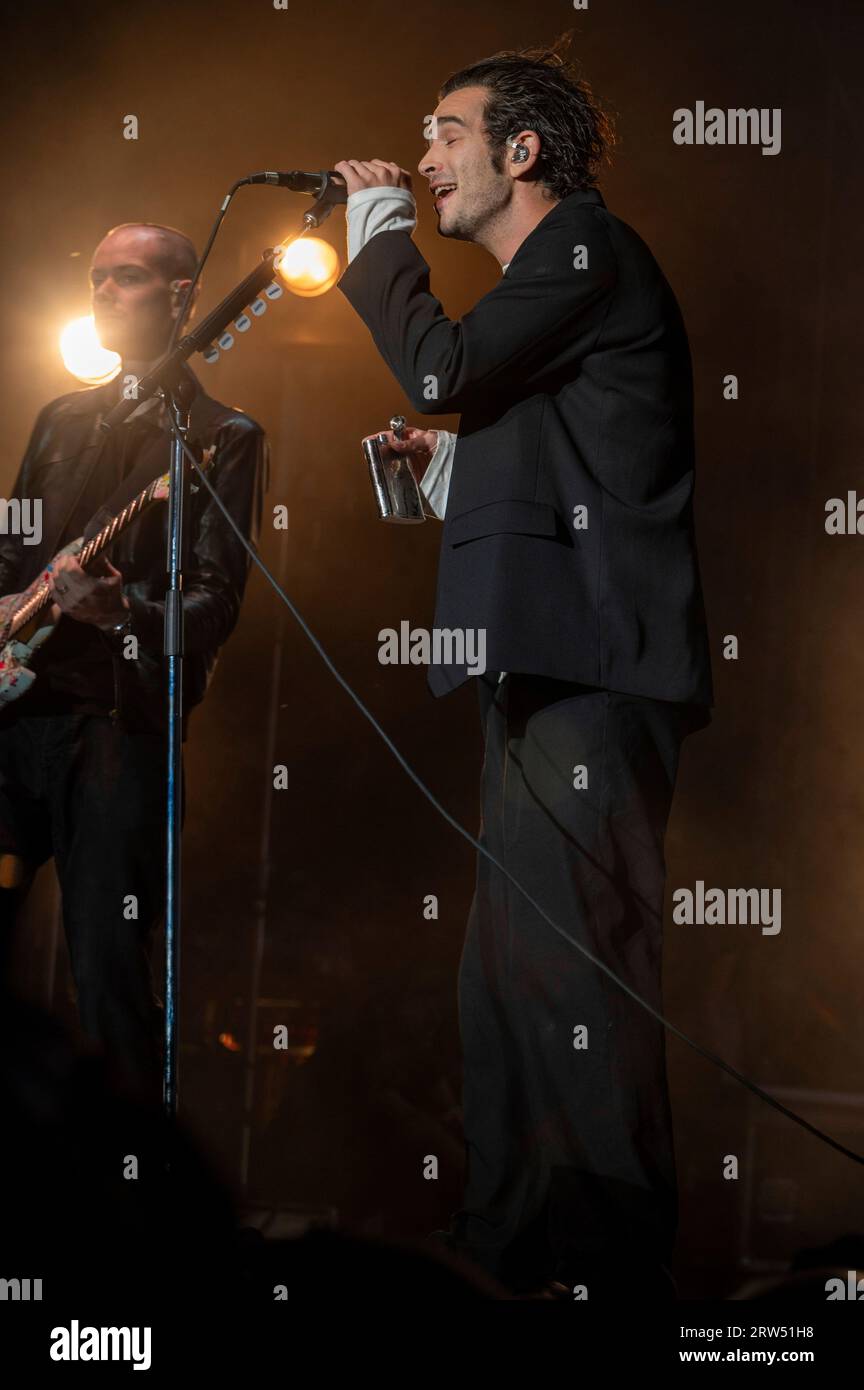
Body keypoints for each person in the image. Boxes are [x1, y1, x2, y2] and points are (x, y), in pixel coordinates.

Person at [335, 34, 713, 1298]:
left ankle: (612, 1277)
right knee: (503, 977)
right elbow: (567, 459)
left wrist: (375, 228)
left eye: (445, 135)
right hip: (544, 669)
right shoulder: (554, 285)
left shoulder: (586, 248)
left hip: (596, 672)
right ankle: (505, 1260)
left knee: (575, 971)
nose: (428, 157)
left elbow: (441, 366)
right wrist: (443, 472)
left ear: (521, 149)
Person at [0, 222, 268, 1105]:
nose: (103, 290)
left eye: (127, 278)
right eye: (96, 275)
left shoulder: (222, 436)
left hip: (116, 729)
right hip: (14, 720)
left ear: (183, 295)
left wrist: (124, 608)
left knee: (109, 978)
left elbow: (215, 607)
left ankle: (130, 1206)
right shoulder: (60, 419)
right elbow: (13, 556)